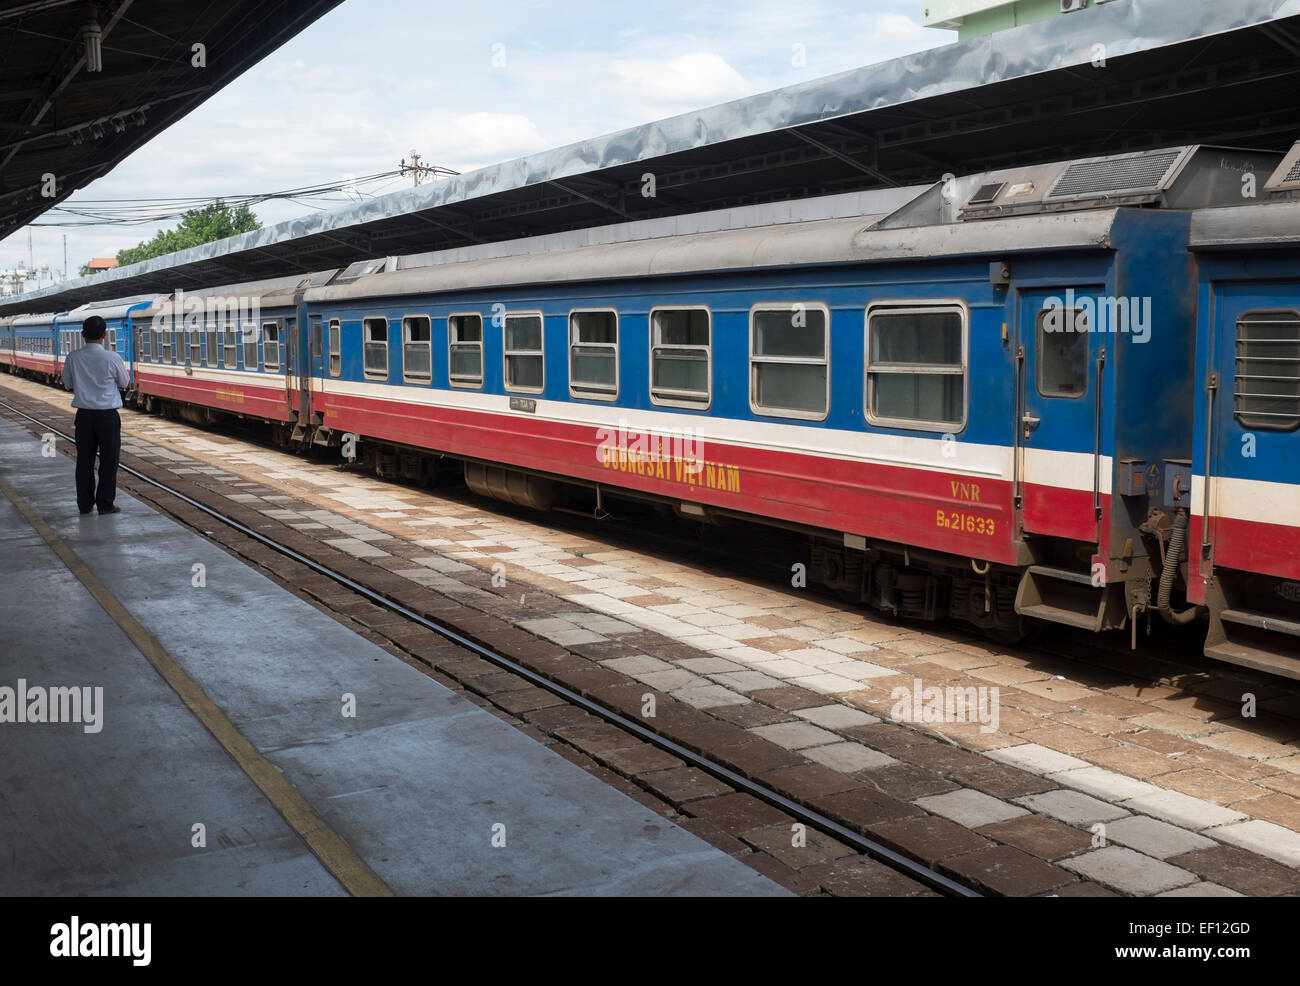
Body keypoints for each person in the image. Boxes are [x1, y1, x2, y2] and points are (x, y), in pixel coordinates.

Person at [61, 315, 129, 515]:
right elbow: (124, 383)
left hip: (84, 417)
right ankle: (105, 504)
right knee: (109, 461)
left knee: (84, 460)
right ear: (104, 335)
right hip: (108, 416)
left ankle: (84, 504)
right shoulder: (112, 357)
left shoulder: (73, 357)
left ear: (83, 334)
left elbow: (68, 383)